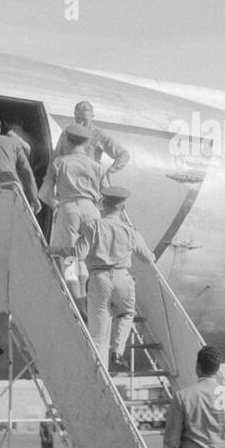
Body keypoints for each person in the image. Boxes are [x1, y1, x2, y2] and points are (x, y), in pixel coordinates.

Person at [77, 184, 153, 370]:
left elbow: (78, 254)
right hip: (123, 278)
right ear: (123, 208)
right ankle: (118, 351)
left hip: (99, 278)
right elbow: (149, 258)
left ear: (103, 204)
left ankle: (97, 372)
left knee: (97, 333)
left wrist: (60, 253)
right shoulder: (130, 231)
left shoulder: (92, 226)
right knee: (126, 314)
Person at [44, 125, 104, 308]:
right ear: (87, 144)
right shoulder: (97, 166)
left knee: (69, 257)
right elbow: (104, 194)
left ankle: (77, 303)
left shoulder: (60, 163)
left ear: (68, 141)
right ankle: (84, 297)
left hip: (69, 208)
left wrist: (55, 204)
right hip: (92, 210)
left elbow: (44, 194)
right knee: (85, 256)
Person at [54, 100, 130, 182]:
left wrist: (110, 171)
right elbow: (55, 157)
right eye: (78, 119)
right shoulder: (67, 133)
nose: (81, 123)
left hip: (90, 182)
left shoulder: (99, 135)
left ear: (92, 116)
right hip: (68, 181)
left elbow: (124, 154)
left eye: (84, 119)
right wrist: (49, 181)